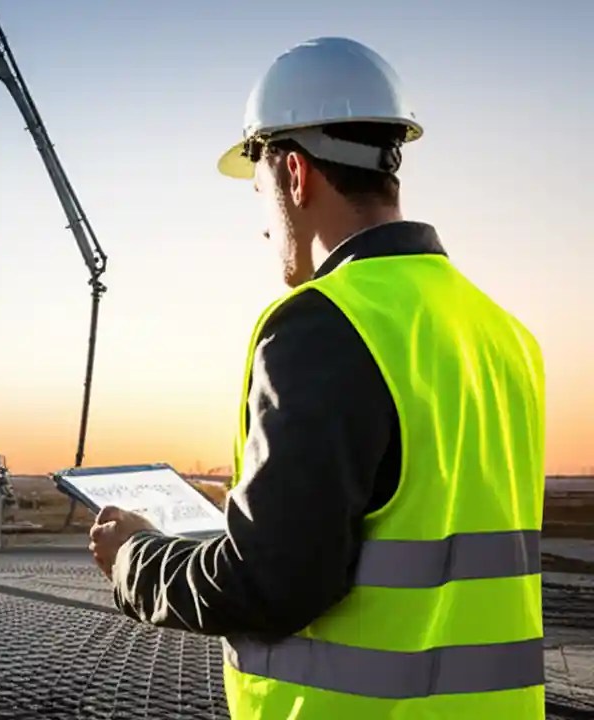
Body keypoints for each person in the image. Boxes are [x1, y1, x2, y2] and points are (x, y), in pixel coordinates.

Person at [88, 36, 547, 718]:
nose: (263, 229)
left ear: (296, 175)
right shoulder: (503, 332)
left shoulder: (322, 324)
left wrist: (135, 556)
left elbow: (271, 582)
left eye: (260, 190)